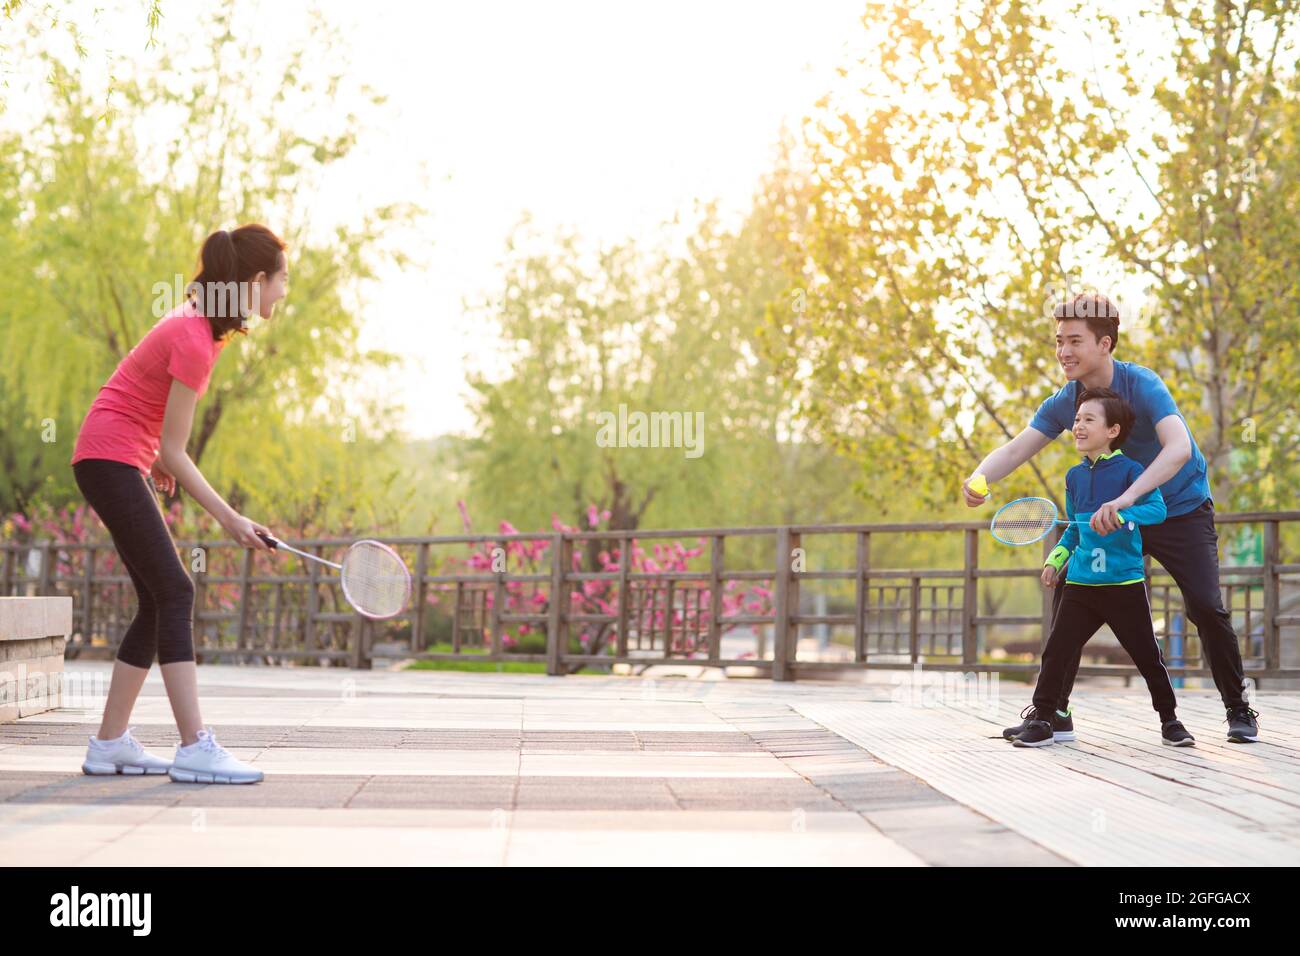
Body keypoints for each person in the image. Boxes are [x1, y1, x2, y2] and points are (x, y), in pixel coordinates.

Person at [965, 292, 1259, 743]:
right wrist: (979, 478)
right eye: (1059, 341)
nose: (1064, 351)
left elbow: (1179, 448)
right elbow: (1017, 448)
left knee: (1205, 606)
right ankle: (1054, 712)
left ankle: (1238, 709)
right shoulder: (1066, 402)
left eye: (1075, 341)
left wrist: (1127, 498)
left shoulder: (1142, 385)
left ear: (1105, 344)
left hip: (1178, 510)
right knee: (1069, 591)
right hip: (1112, 518)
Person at [70, 224, 288, 783]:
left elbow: (149, 412)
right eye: (282, 280)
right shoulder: (194, 338)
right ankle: (194, 747)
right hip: (110, 457)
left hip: (114, 457)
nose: (284, 292)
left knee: (156, 598)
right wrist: (231, 517)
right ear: (257, 280)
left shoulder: (196, 323)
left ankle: (110, 743)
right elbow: (175, 444)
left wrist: (159, 461)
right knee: (176, 589)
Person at [1007, 388, 1194, 748]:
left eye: (1088, 419)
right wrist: (1055, 560)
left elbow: (1157, 511)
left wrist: (1122, 512)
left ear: (1112, 430)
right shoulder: (1073, 478)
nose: (1078, 425)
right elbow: (1074, 532)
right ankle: (1043, 719)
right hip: (1080, 585)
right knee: (1057, 651)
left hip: (1124, 585)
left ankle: (1170, 721)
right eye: (1076, 419)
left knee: (1147, 657)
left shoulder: (1131, 472)